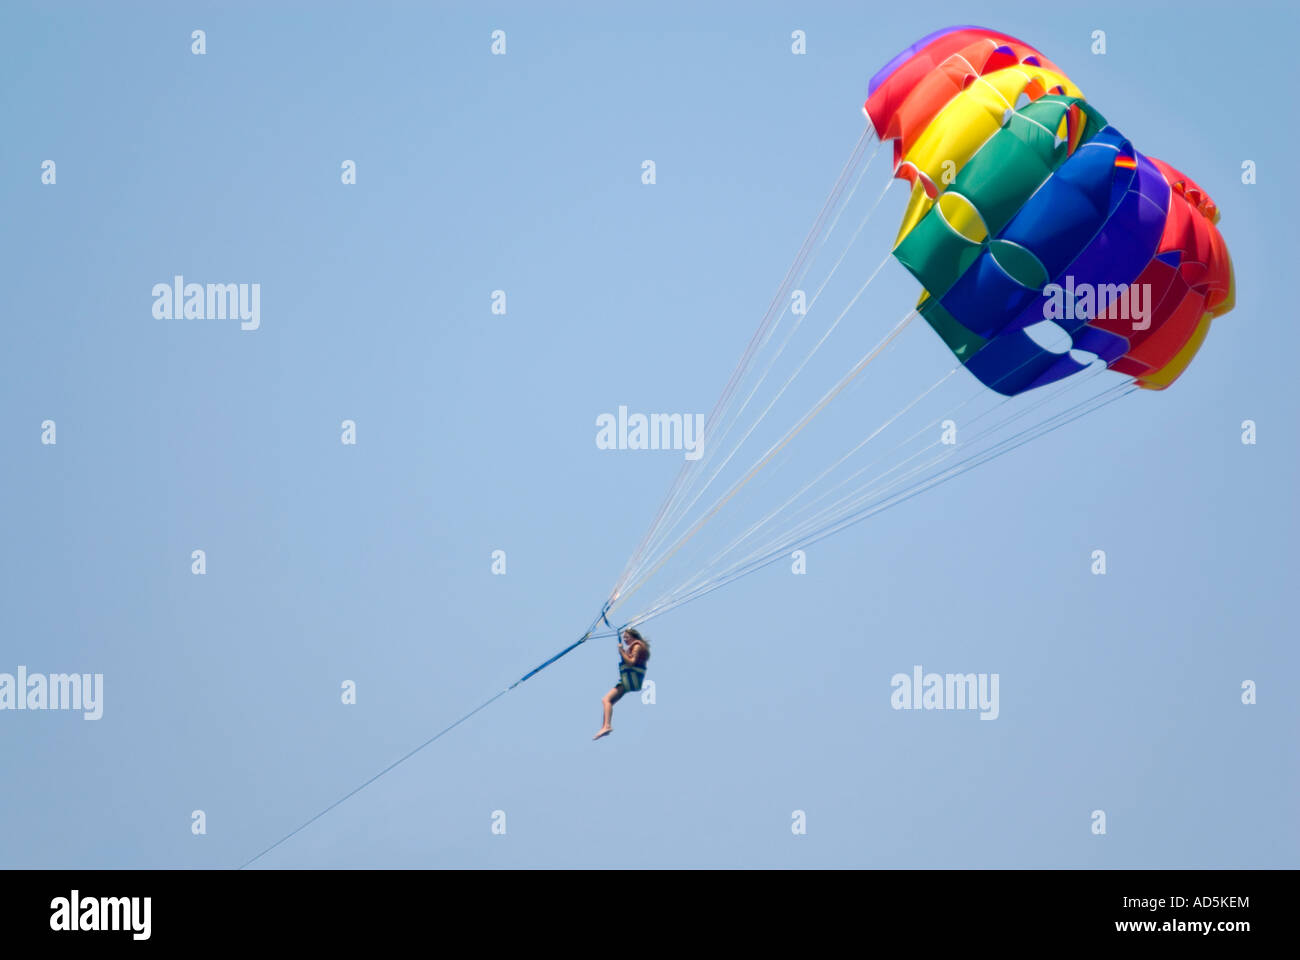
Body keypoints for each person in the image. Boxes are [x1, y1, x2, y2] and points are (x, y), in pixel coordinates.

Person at [593, 628, 650, 740]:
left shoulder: (637, 646)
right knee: (607, 701)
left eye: (626, 637)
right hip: (629, 681)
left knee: (606, 700)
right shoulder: (636, 646)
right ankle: (605, 727)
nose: (624, 640)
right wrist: (623, 652)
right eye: (624, 638)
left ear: (633, 636)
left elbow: (631, 662)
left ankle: (607, 726)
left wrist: (621, 652)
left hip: (630, 680)